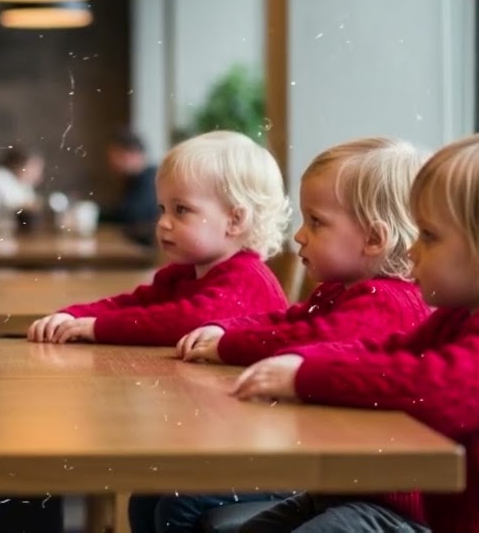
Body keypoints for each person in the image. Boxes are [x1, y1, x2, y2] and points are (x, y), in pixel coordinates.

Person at [230, 129, 479, 533]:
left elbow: (436, 389)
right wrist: (304, 360)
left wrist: (306, 375)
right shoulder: (462, 317)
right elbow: (391, 352)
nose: (412, 249)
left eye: (429, 236)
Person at [130, 137, 432, 533]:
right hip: (342, 484)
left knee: (178, 504)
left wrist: (225, 343)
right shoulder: (342, 291)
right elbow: (288, 319)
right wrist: (227, 329)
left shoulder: (389, 302)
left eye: (316, 222)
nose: (299, 236)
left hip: (389, 499)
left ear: (375, 239)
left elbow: (310, 341)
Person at [27, 130, 292, 347]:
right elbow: (137, 302)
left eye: (181, 210)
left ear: (234, 221)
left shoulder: (247, 279)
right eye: (163, 209)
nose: (163, 222)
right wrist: (75, 314)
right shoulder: (184, 274)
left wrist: (95, 327)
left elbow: (184, 320)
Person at [100, 129, 159, 244]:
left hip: (145, 253)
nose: (111, 163)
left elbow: (132, 215)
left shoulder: (151, 178)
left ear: (132, 153)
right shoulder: (133, 179)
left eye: (115, 156)